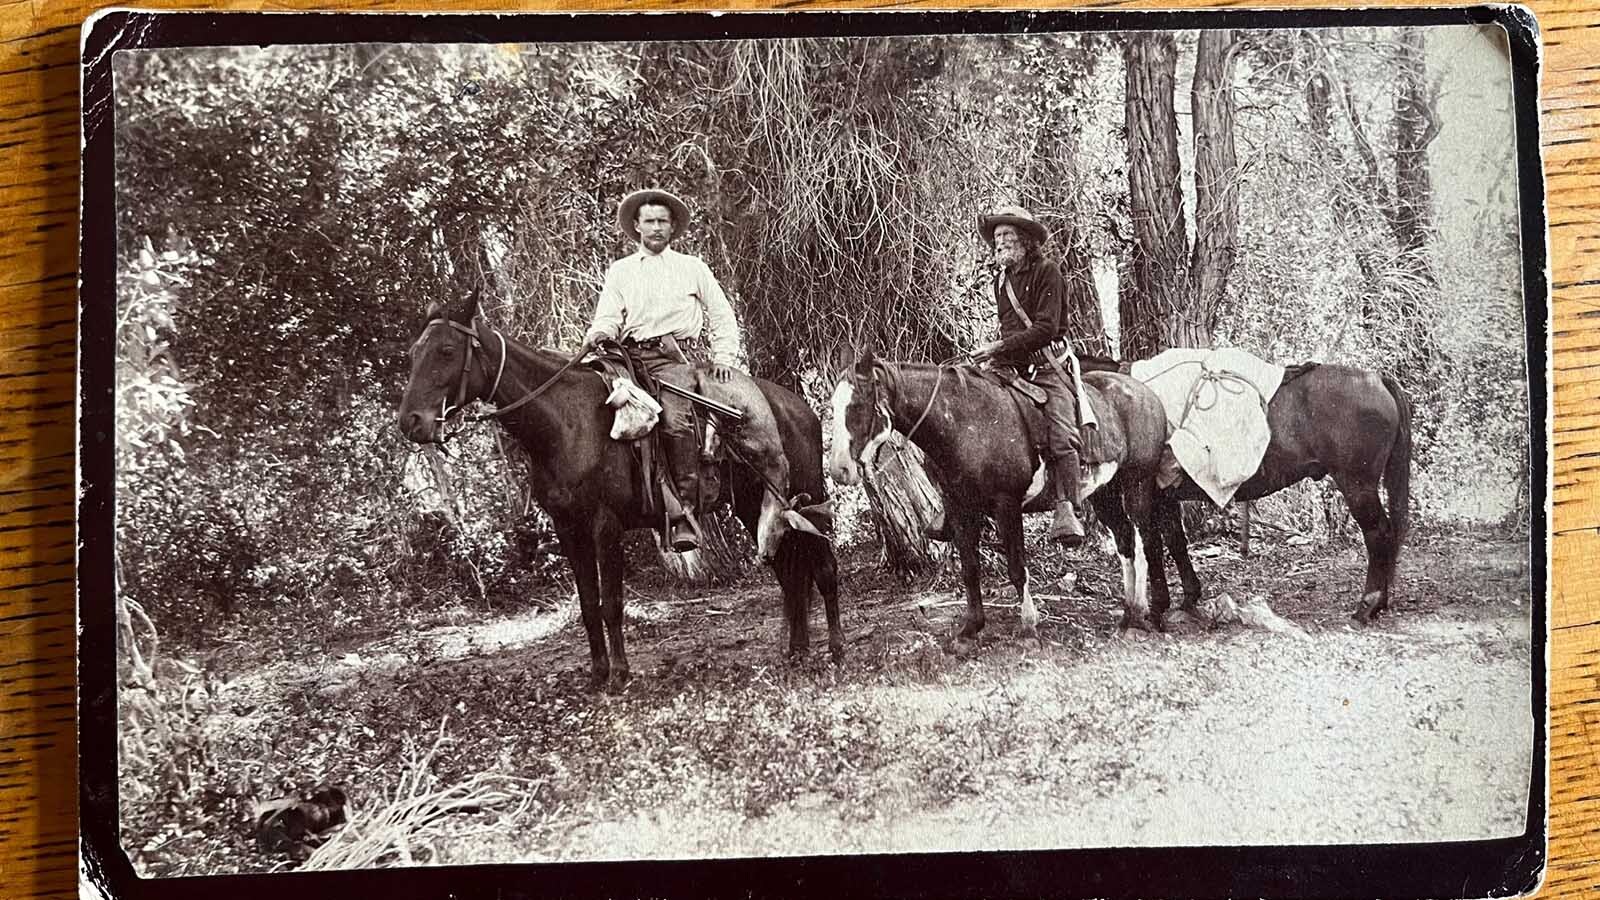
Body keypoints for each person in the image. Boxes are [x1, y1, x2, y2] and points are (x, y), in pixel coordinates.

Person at [577, 189, 744, 551]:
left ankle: (685, 512)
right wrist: (600, 332)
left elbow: (721, 314)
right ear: (637, 226)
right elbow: (608, 316)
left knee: (674, 419)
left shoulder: (692, 268)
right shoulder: (621, 271)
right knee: (592, 404)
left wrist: (723, 357)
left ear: (672, 227)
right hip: (627, 357)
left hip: (674, 359)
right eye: (649, 221)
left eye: (662, 222)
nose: (656, 228)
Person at [969, 205, 1087, 546]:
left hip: (1048, 365)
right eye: (997, 236)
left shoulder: (1048, 271)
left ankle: (1068, 508)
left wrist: (998, 347)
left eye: (1007, 234)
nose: (1000, 241)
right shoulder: (1000, 281)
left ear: (1025, 239)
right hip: (1011, 365)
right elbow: (1008, 329)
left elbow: (1046, 328)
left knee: (1062, 435)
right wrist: (995, 355)